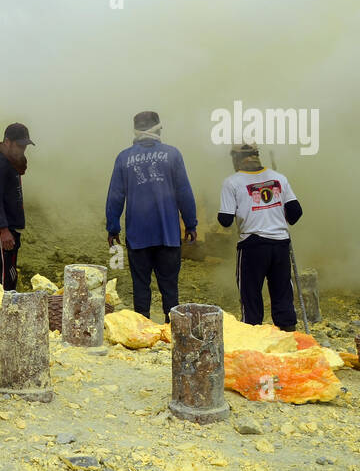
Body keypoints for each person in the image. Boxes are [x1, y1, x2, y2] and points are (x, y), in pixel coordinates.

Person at [105, 110, 197, 322]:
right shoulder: (172, 154)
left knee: (140, 285)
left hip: (138, 236)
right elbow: (184, 191)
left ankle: (142, 327)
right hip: (168, 235)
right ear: (158, 128)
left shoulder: (124, 157)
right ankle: (172, 328)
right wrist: (191, 224)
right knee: (169, 286)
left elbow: (115, 196)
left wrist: (113, 227)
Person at [217, 143, 303, 330]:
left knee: (251, 295)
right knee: (282, 293)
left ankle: (253, 334)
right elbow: (296, 212)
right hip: (280, 244)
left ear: (236, 159)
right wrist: (276, 212)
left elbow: (225, 219)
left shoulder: (232, 182)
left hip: (252, 246)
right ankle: (288, 334)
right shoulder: (278, 178)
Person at [0, 122, 34, 290]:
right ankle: (0, 312)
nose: (22, 150)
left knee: (9, 273)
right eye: (19, 146)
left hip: (9, 228)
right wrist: (3, 230)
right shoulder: (0, 165)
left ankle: (8, 309)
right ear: (7, 142)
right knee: (4, 276)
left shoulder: (12, 161)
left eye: (25, 146)